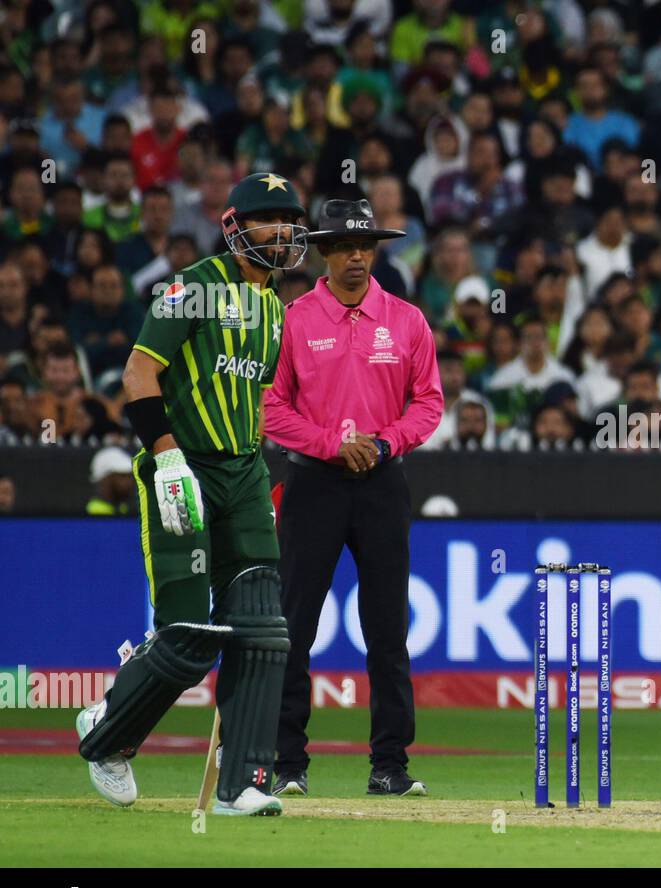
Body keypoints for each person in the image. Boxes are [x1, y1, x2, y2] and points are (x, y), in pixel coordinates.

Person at [76, 171, 310, 817]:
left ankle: (243, 782)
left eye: (291, 219)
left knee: (264, 628)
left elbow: (255, 397)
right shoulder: (193, 288)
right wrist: (169, 457)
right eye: (270, 218)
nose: (284, 231)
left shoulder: (273, 307)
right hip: (183, 467)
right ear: (236, 226)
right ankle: (107, 735)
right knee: (189, 632)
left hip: (244, 472)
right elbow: (139, 372)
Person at [264, 198, 443, 798]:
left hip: (382, 483)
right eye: (343, 246)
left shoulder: (408, 320)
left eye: (366, 246)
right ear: (324, 252)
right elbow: (269, 409)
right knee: (294, 627)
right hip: (314, 481)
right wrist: (332, 446)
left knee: (387, 630)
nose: (357, 256)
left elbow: (429, 403)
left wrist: (385, 446)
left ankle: (389, 766)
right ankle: (287, 765)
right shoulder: (292, 319)